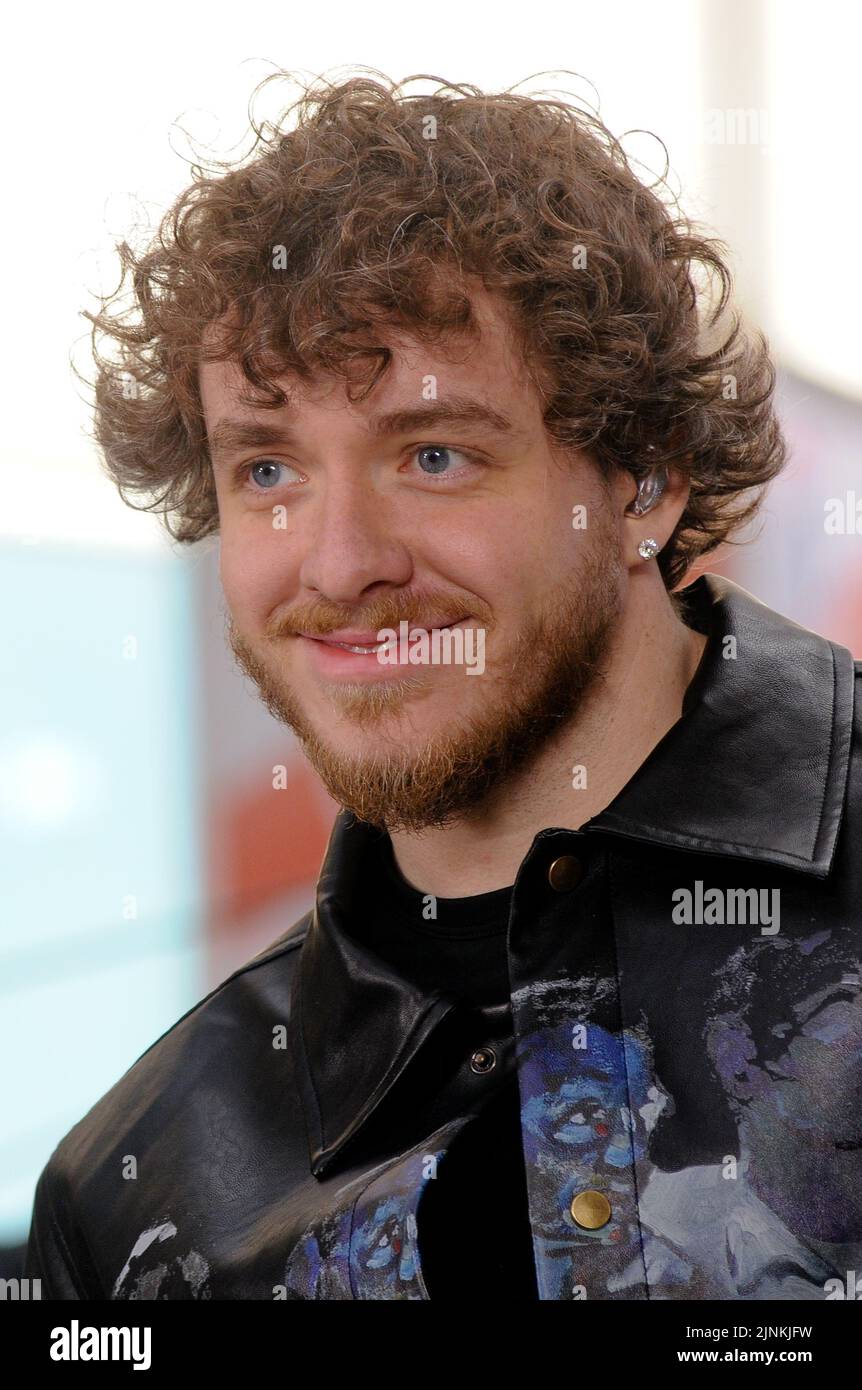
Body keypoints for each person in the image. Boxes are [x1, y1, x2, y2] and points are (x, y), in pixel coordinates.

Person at [25, 70, 862, 1301]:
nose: (343, 561)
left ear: (646, 482)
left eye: (432, 453)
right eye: (266, 470)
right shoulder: (133, 1198)